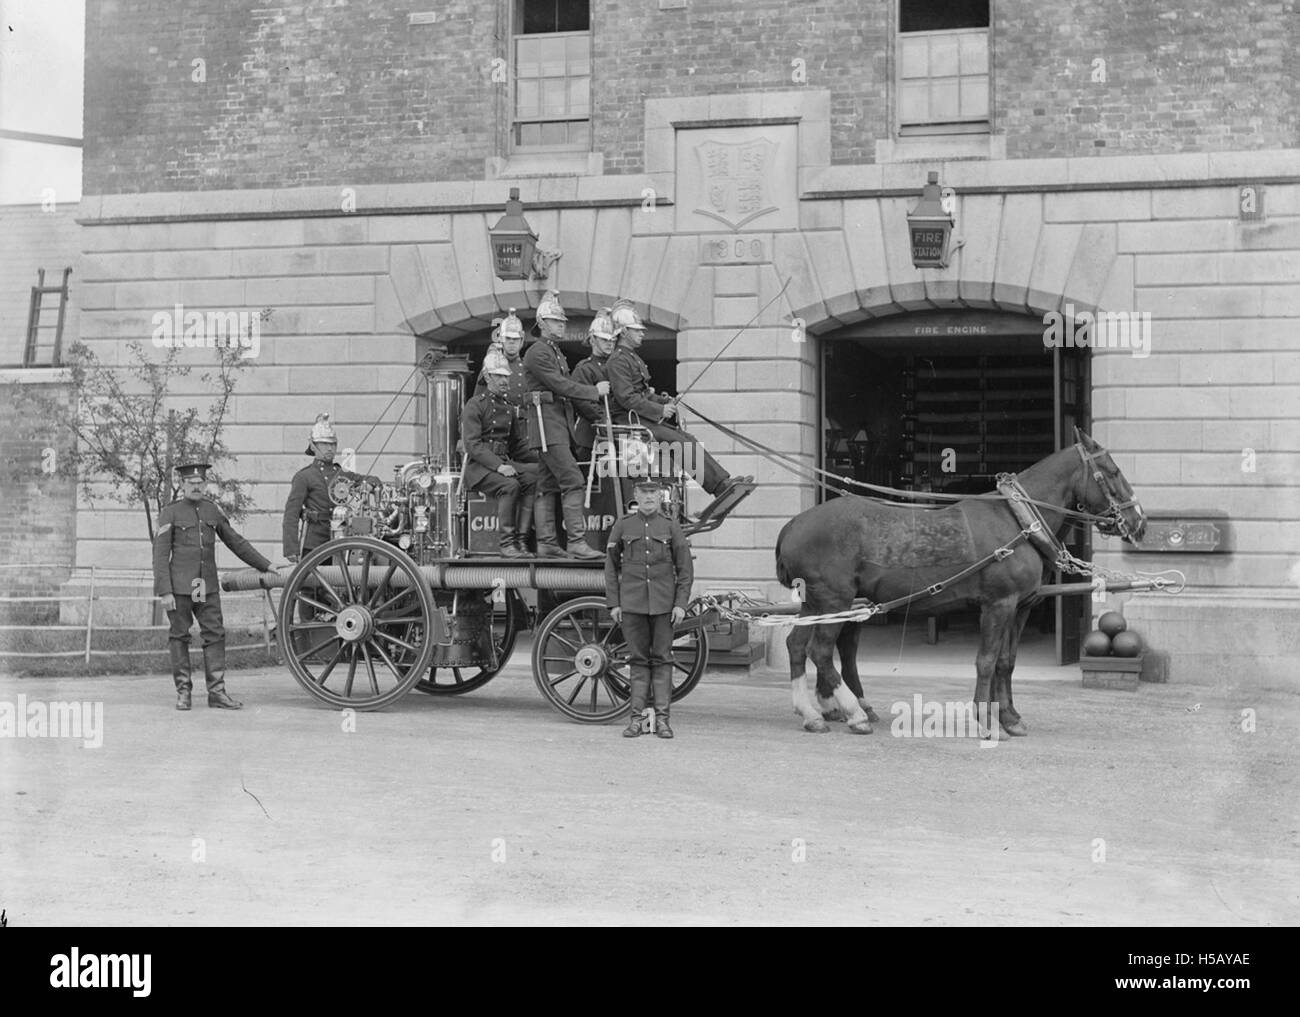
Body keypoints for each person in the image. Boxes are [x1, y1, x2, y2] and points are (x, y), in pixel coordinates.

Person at [605, 299, 752, 506]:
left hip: (641, 417)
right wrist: (660, 409)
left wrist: (663, 400)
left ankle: (721, 484)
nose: (642, 333)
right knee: (679, 442)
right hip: (630, 421)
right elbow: (626, 397)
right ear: (624, 332)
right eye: (636, 330)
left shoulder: (632, 358)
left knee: (687, 438)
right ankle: (719, 487)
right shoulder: (618, 360)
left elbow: (643, 393)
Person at [153, 461, 275, 710]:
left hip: (203, 586)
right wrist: (165, 591)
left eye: (200, 483)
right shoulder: (171, 512)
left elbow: (235, 542)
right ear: (182, 484)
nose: (196, 487)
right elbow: (159, 554)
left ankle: (217, 692)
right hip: (179, 587)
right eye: (191, 483)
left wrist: (264, 564)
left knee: (215, 634)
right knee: (179, 636)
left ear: (206, 484)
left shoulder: (212, 511)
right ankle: (184, 692)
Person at [521, 290, 610, 560]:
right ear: (543, 324)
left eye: (562, 321)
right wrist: (594, 392)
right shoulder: (538, 352)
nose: (562, 325)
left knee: (547, 485)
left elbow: (565, 386)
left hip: (555, 425)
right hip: (547, 425)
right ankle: (576, 542)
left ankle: (547, 542)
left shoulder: (553, 352)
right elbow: (560, 385)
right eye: (556, 321)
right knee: (573, 480)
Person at [605, 476, 694, 739]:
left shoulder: (671, 527)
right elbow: (611, 567)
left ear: (660, 497)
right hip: (632, 605)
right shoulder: (623, 525)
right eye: (643, 493)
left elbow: (685, 570)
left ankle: (663, 721)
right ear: (636, 495)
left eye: (653, 494)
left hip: (665, 606)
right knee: (638, 662)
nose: (648, 498)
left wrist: (680, 604)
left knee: (663, 660)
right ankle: (636, 720)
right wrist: (614, 603)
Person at [461, 354, 538, 557]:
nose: (505, 381)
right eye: (499, 376)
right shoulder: (475, 405)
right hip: (479, 468)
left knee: (534, 478)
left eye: (506, 377)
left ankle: (521, 541)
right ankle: (507, 544)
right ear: (487, 377)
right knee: (510, 485)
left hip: (504, 463)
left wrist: (542, 459)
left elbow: (517, 445)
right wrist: (499, 466)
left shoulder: (507, 406)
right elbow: (473, 445)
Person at [281, 412, 381, 563]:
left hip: (341, 540)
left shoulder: (341, 473)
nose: (329, 448)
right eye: (324, 444)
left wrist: (369, 486)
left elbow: (373, 480)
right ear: (313, 446)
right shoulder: (304, 476)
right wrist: (291, 548)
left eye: (332, 444)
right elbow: (291, 514)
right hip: (314, 543)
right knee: (312, 586)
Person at [570, 307, 617, 467]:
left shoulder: (617, 367)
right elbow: (582, 403)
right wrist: (603, 421)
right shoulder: (584, 368)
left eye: (612, 340)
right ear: (592, 340)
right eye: (605, 340)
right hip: (590, 436)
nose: (610, 343)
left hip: (617, 432)